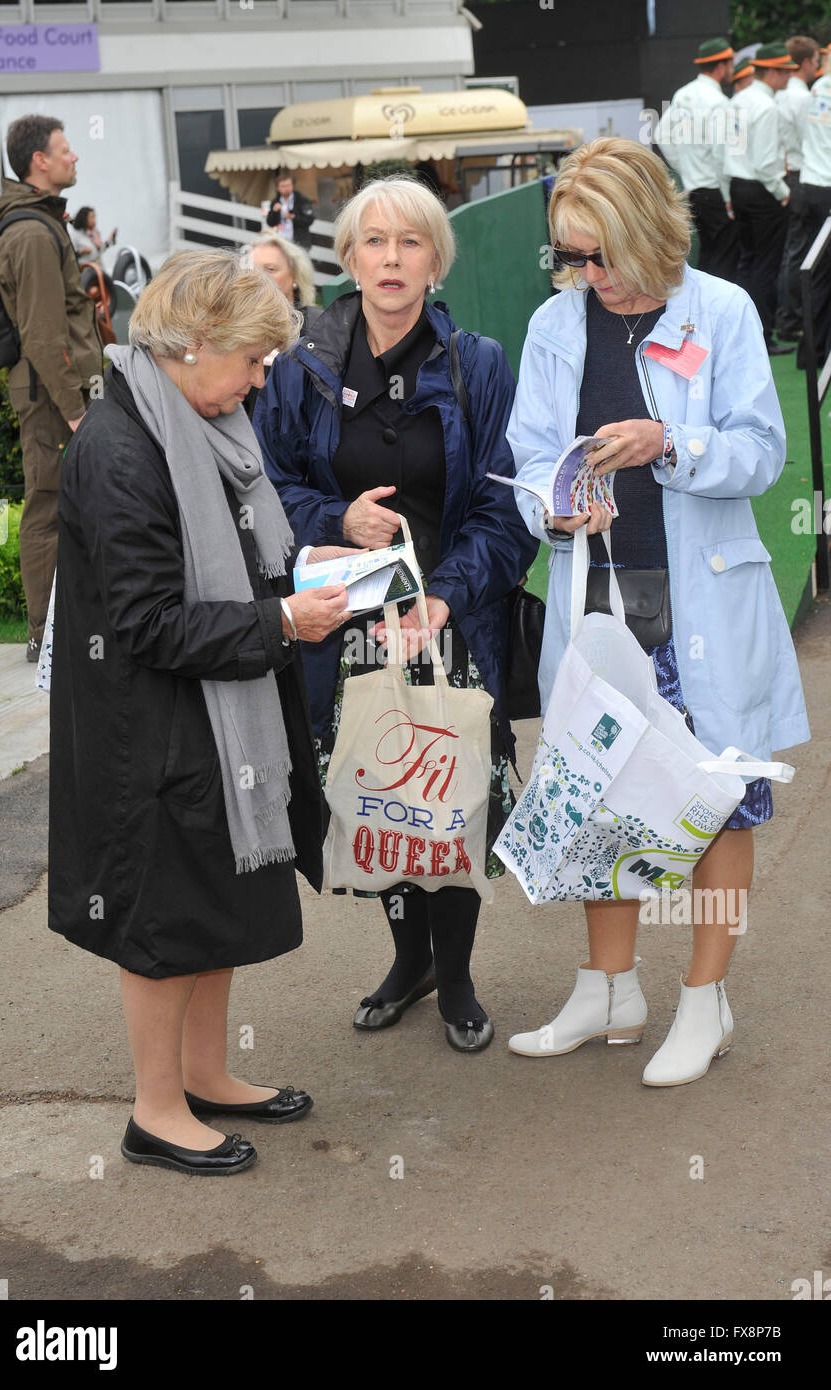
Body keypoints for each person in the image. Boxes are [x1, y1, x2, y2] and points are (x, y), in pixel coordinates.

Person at [505, 137, 810, 1088]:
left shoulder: (719, 311)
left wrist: (669, 442)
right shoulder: (557, 325)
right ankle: (608, 989)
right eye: (569, 256)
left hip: (699, 601)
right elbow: (526, 458)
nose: (585, 276)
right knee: (598, 791)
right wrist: (549, 507)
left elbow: (761, 453)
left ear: (648, 236)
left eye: (599, 255)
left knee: (717, 802)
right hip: (597, 599)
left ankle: (703, 999)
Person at [48, 249, 358, 1176]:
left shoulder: (190, 420)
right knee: (163, 917)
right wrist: (282, 622)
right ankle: (154, 1111)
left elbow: (238, 561)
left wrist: (306, 581)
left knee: (217, 898)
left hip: (215, 712)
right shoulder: (118, 449)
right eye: (252, 360)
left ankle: (205, 1074)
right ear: (189, 346)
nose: (261, 379)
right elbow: (145, 622)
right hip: (150, 727)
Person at [256, 176, 538, 1053]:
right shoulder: (302, 361)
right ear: (347, 258)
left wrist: (447, 595)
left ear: (433, 260)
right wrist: (337, 518)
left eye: (409, 242)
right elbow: (264, 492)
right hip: (344, 627)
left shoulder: (476, 362)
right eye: (372, 241)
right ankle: (406, 958)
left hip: (449, 625)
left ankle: (452, 975)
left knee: (449, 799)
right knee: (380, 799)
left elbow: (507, 508)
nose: (389, 258)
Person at [0, 115, 103, 661]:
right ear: (39, 161)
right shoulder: (30, 233)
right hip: (52, 397)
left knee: (69, 506)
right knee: (49, 507)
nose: (74, 156)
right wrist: (76, 409)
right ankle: (44, 634)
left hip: (59, 392)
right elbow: (42, 333)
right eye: (64, 149)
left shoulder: (39, 222)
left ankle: (69, 626)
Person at [725, 42, 798, 355]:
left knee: (749, 263)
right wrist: (784, 194)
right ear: (771, 71)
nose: (788, 77)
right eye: (785, 71)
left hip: (740, 188)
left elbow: (727, 151)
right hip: (762, 190)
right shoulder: (766, 107)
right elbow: (767, 162)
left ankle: (746, 334)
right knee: (764, 267)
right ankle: (762, 337)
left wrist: (727, 190)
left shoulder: (738, 100)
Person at [656, 37, 740, 281]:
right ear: (722, 65)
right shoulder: (718, 102)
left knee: (710, 257)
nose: (732, 70)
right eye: (731, 64)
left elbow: (662, 133)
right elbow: (720, 153)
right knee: (723, 260)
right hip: (715, 190)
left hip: (694, 189)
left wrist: (685, 168)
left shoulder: (683, 94)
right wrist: (727, 198)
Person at [775, 36, 822, 340]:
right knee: (801, 251)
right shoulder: (803, 97)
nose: (818, 66)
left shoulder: (779, 95)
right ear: (805, 63)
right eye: (817, 60)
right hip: (802, 174)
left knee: (792, 251)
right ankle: (793, 318)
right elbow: (816, 139)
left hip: (789, 173)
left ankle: (788, 317)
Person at [243, 232, 321, 335]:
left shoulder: (319, 324)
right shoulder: (233, 324)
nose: (258, 276)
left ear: (295, 275)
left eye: (270, 269)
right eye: (252, 269)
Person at [266, 171, 314, 251]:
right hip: (281, 242)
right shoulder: (275, 202)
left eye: (288, 185)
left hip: (300, 242)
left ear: (293, 186)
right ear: (277, 188)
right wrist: (274, 212)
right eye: (283, 186)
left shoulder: (302, 200)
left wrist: (293, 217)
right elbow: (270, 223)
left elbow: (310, 219)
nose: (286, 188)